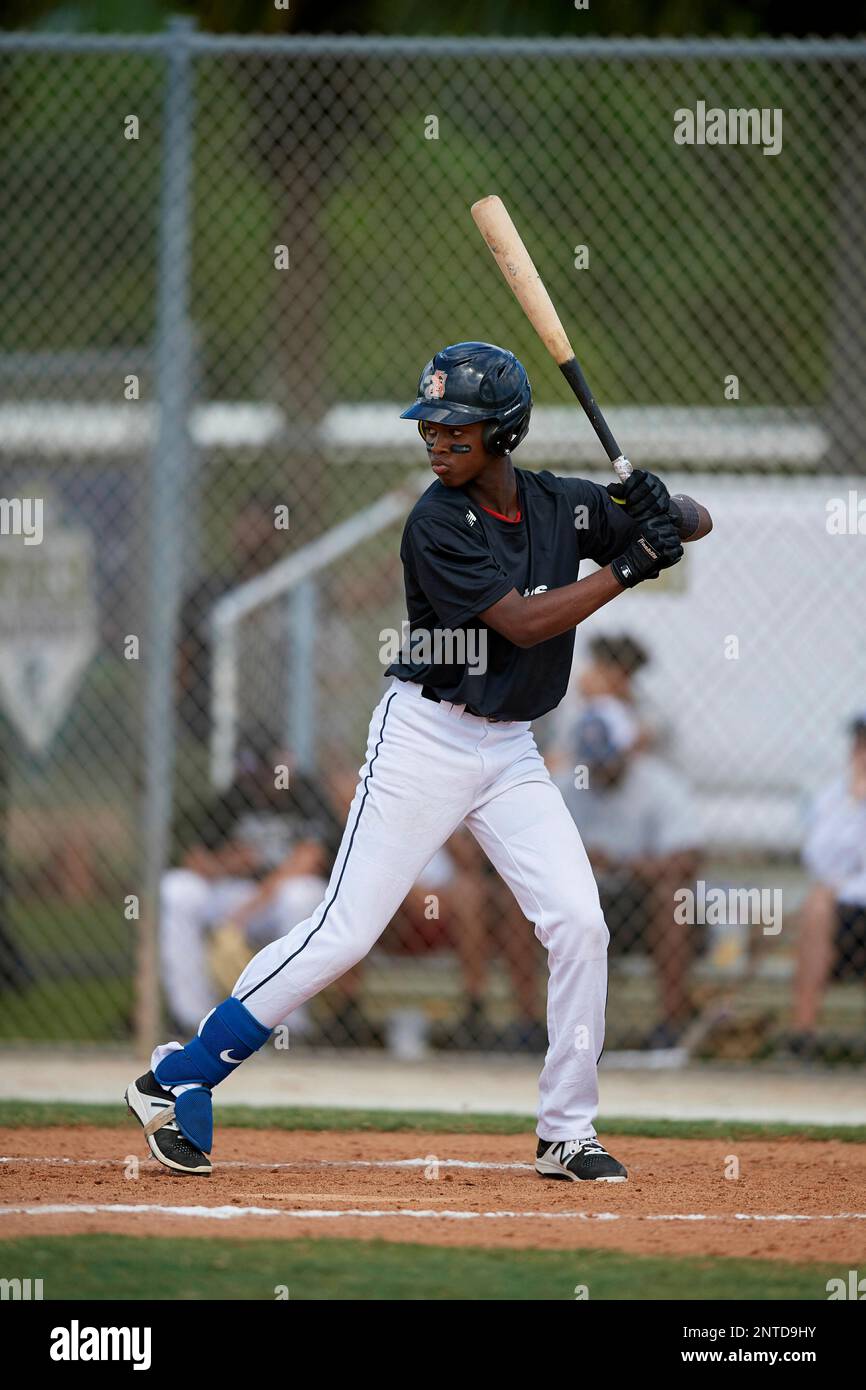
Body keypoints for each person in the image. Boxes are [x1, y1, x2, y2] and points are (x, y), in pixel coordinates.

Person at [125, 340, 711, 1180]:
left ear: (502, 432)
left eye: (455, 426)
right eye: (429, 424)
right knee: (343, 932)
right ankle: (180, 1075)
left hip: (511, 749)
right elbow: (523, 623)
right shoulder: (436, 521)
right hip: (424, 739)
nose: (434, 439)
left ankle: (566, 1129)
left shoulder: (562, 507)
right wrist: (629, 564)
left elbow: (693, 523)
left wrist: (659, 504)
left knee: (580, 923)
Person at [557, 698, 702, 1048]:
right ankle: (534, 1026)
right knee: (512, 895)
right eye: (592, 761)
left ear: (626, 750)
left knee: (672, 896)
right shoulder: (565, 785)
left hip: (638, 904)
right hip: (579, 901)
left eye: (606, 760)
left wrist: (621, 864)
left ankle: (670, 1025)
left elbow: (689, 859)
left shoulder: (659, 784)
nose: (598, 770)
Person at [787, 712, 866, 1058]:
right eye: (859, 743)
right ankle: (803, 1034)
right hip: (849, 907)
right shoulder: (835, 796)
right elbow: (824, 864)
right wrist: (855, 804)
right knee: (817, 903)